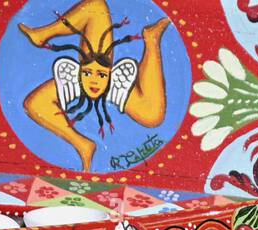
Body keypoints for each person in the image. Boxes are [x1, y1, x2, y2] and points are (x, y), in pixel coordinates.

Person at [18, 0, 172, 171]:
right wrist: (80, 142)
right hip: (82, 80)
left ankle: (152, 40)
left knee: (153, 116)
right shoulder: (78, 78)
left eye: (100, 75)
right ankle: (83, 145)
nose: (93, 81)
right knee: (34, 104)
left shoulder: (111, 80)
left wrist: (102, 75)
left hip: (109, 84)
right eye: (88, 74)